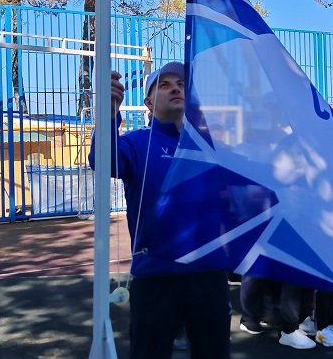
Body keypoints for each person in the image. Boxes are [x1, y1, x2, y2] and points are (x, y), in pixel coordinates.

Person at [89, 62, 231, 359]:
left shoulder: (210, 147)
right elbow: (104, 161)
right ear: (149, 103)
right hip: (156, 275)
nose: (175, 88)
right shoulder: (137, 142)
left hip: (209, 274)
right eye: (164, 85)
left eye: (181, 84)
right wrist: (109, 114)